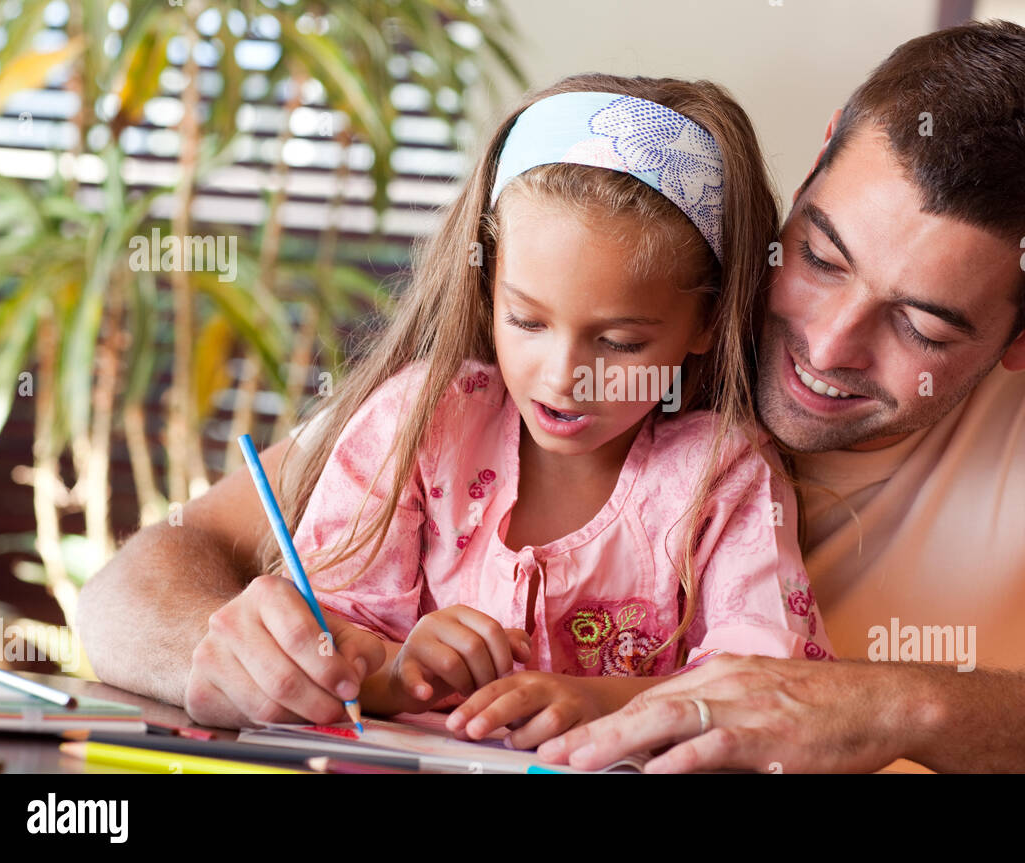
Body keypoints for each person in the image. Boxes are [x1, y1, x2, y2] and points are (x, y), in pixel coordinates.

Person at [531, 21, 1025, 772]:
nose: (826, 347)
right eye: (821, 258)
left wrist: (894, 707)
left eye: (921, 326)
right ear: (823, 153)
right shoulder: (650, 285)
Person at [81, 73, 835, 748]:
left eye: (619, 341)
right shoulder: (426, 420)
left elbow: (758, 688)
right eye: (528, 321)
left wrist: (594, 701)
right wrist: (399, 671)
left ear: (704, 323)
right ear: (486, 289)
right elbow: (326, 637)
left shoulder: (722, 476)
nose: (564, 375)